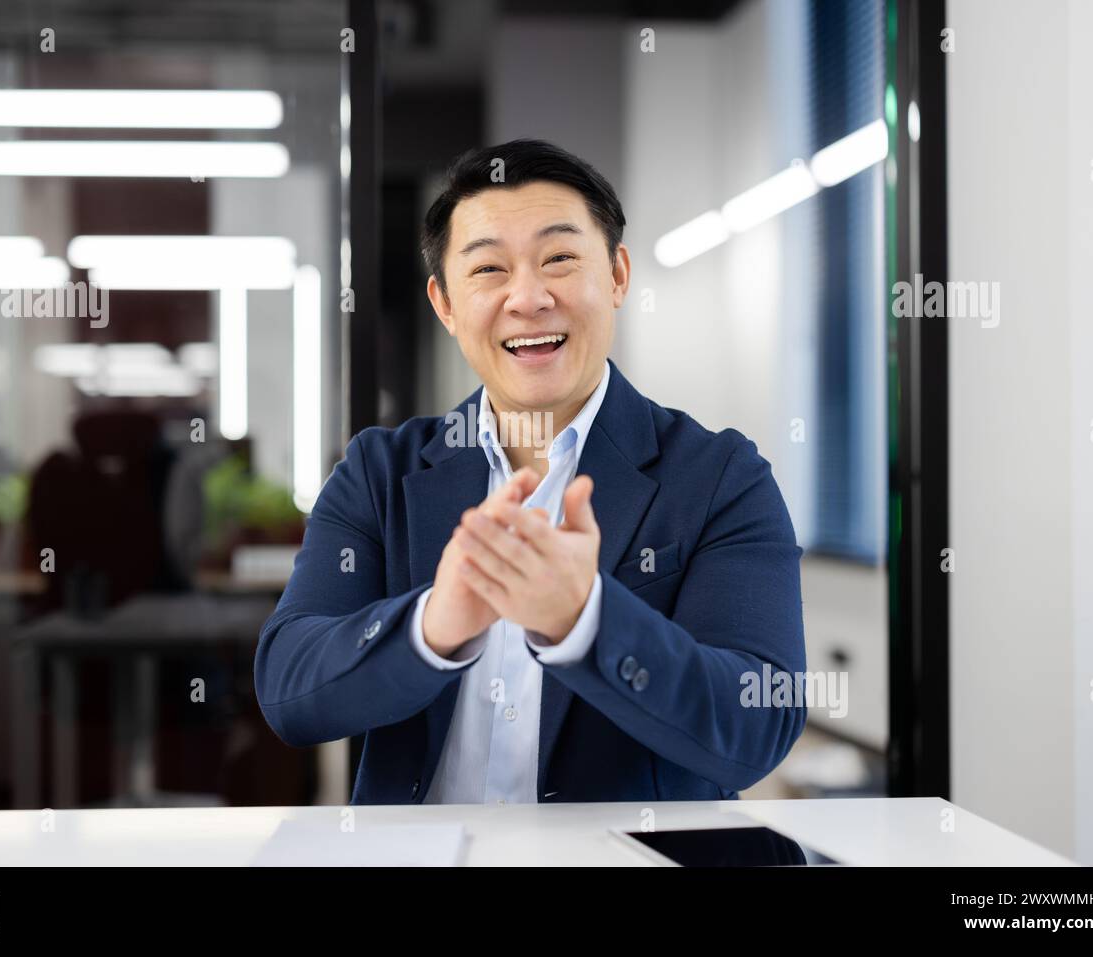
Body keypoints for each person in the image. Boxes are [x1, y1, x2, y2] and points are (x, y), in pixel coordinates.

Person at [255, 139, 806, 805]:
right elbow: (289, 690)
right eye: (488, 268)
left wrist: (586, 621)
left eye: (559, 259)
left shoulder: (721, 478)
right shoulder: (379, 473)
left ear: (617, 276)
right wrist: (431, 627)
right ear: (445, 304)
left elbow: (758, 721)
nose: (528, 297)